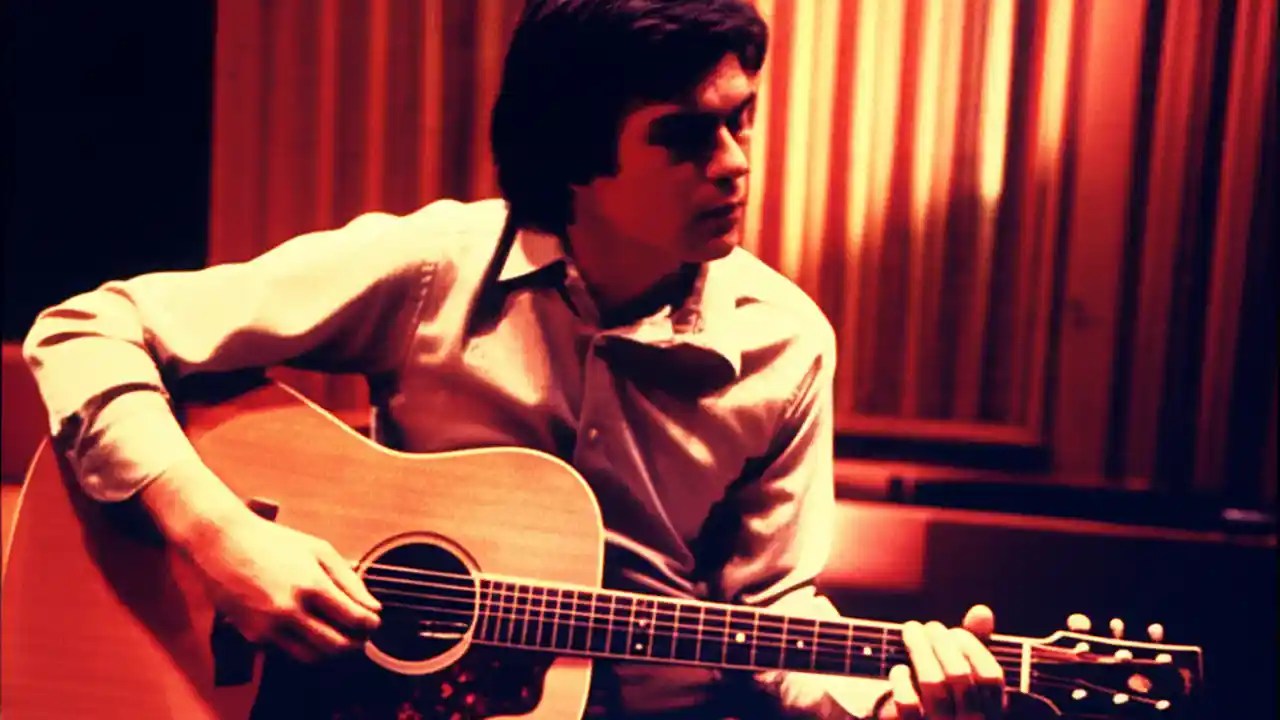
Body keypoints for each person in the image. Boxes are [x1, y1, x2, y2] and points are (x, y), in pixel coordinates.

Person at [23, 1, 1007, 718]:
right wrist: (226, 542)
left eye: (740, 116)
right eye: (684, 136)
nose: (734, 161)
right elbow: (83, 329)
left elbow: (772, 606)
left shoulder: (786, 344)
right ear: (575, 153)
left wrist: (883, 703)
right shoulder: (428, 269)